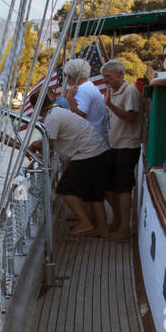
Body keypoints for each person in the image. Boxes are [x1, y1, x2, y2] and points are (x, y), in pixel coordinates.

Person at [28, 90, 115, 239]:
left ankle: (85, 223)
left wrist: (33, 145)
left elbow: (47, 141)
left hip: (87, 154)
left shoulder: (53, 118)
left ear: (37, 109)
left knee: (66, 190)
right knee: (95, 193)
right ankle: (103, 229)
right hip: (97, 150)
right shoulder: (58, 111)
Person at [102, 59, 142, 241]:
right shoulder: (113, 91)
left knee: (124, 188)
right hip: (115, 145)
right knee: (110, 185)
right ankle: (118, 220)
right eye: (104, 77)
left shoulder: (130, 92)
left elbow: (130, 118)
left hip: (128, 145)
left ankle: (125, 228)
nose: (105, 81)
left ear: (120, 74)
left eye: (108, 77)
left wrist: (110, 105)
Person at [63, 57, 108, 142]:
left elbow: (80, 115)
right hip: (98, 136)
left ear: (69, 76)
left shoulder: (82, 90)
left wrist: (69, 98)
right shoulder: (89, 85)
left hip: (93, 139)